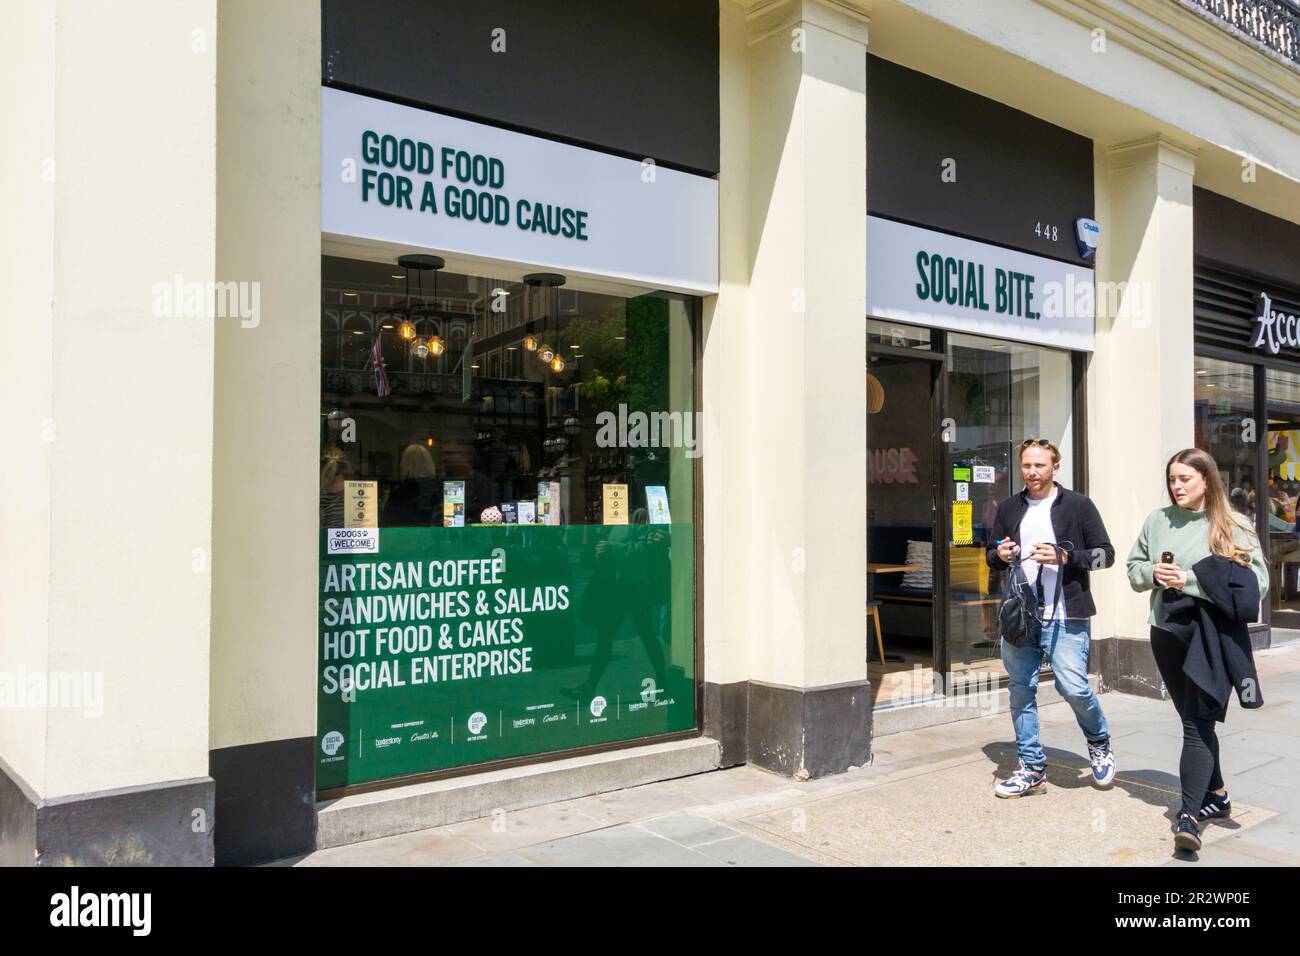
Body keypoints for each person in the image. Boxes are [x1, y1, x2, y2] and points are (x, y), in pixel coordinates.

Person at [1127, 448, 1268, 852]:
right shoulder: (1158, 520)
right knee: (1193, 719)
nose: (1177, 486)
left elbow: (1255, 586)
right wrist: (1153, 573)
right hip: (1167, 631)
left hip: (1210, 636)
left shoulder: (1232, 524)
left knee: (1196, 723)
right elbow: (1134, 568)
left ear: (1206, 480)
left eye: (1185, 479)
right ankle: (1218, 795)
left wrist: (1189, 579)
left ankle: (1189, 815)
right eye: (1172, 479)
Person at [986, 438, 1116, 798]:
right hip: (1021, 615)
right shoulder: (1010, 507)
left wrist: (1065, 558)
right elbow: (991, 556)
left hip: (1067, 614)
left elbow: (1106, 556)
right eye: (1027, 465)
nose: (1032, 472)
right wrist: (999, 552)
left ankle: (1099, 741)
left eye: (1040, 465)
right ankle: (1032, 768)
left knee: (1074, 687)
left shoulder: (1078, 505)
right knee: (1020, 691)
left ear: (1055, 467)